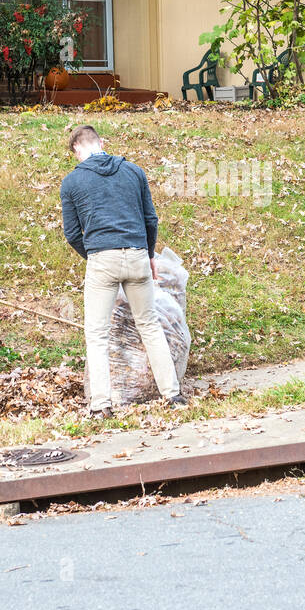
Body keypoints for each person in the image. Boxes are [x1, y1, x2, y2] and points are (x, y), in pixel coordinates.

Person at [60, 124, 184, 417]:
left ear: (77, 149)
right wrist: (149, 254)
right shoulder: (134, 172)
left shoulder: (71, 182)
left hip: (102, 258)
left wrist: (92, 255)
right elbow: (150, 219)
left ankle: (101, 405)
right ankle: (173, 394)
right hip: (138, 255)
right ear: (100, 143)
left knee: (97, 333)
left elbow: (71, 233)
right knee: (150, 325)